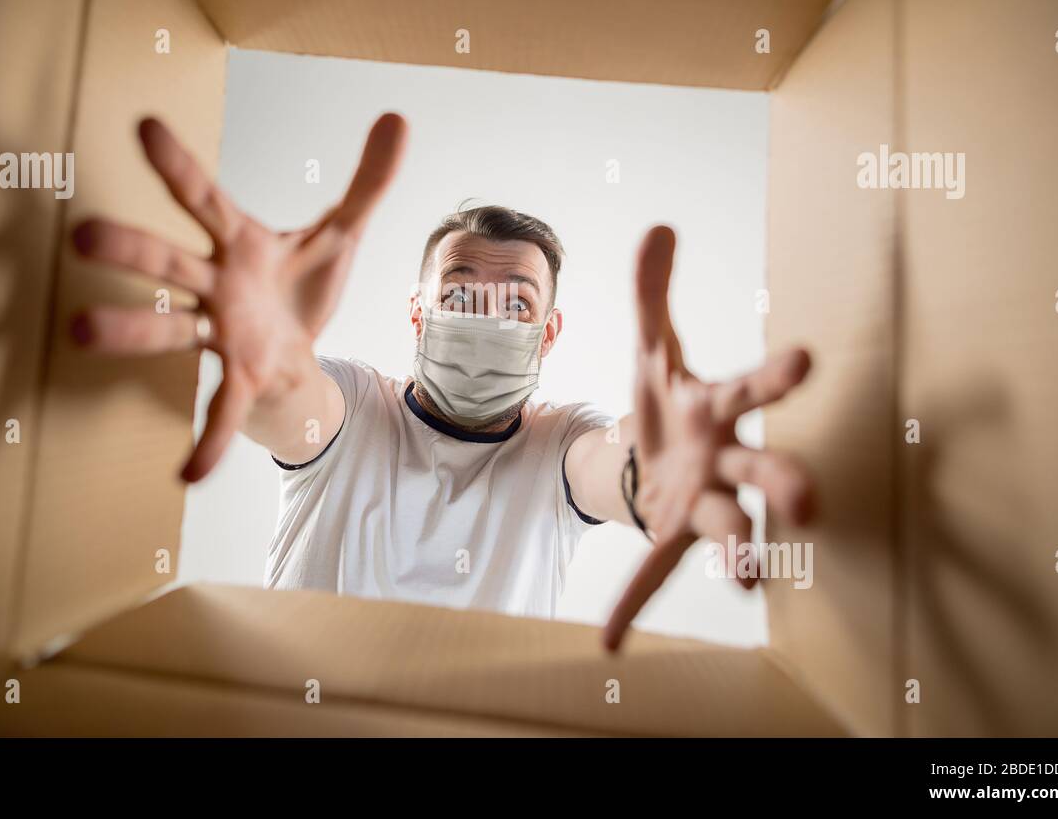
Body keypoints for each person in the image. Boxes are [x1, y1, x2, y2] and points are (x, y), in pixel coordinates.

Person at [69, 113, 816, 650]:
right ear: (417, 315)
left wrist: (650, 476)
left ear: (548, 335)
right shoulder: (355, 407)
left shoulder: (560, 444)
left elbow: (609, 469)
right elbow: (288, 400)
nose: (486, 317)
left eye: (516, 303)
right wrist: (266, 361)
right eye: (459, 294)